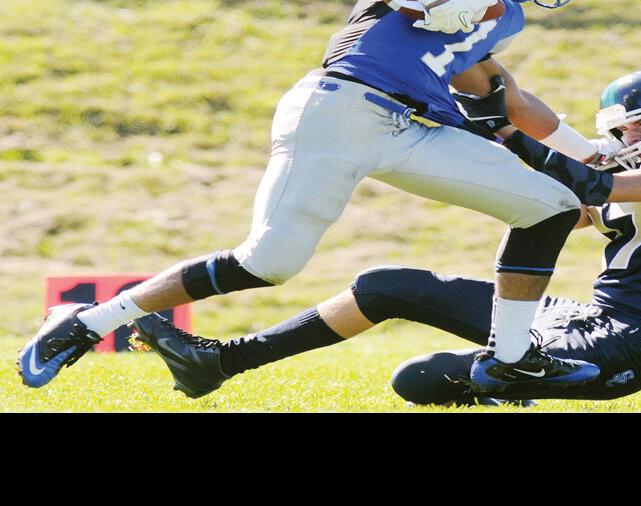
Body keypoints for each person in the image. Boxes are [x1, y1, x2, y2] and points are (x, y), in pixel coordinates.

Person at [16, 0, 611, 392]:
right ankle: (89, 321)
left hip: (413, 129)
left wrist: (588, 155)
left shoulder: (504, 17)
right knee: (269, 263)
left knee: (551, 204)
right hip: (340, 108)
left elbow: (499, 93)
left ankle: (510, 357)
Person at [129, 66, 641, 404]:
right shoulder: (634, 166)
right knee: (386, 285)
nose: (628, 141)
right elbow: (545, 131)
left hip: (631, 344)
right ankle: (218, 362)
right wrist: (473, 101)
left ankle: (509, 385)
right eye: (625, 132)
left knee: (424, 380)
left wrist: (504, 135)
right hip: (581, 319)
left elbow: (602, 189)